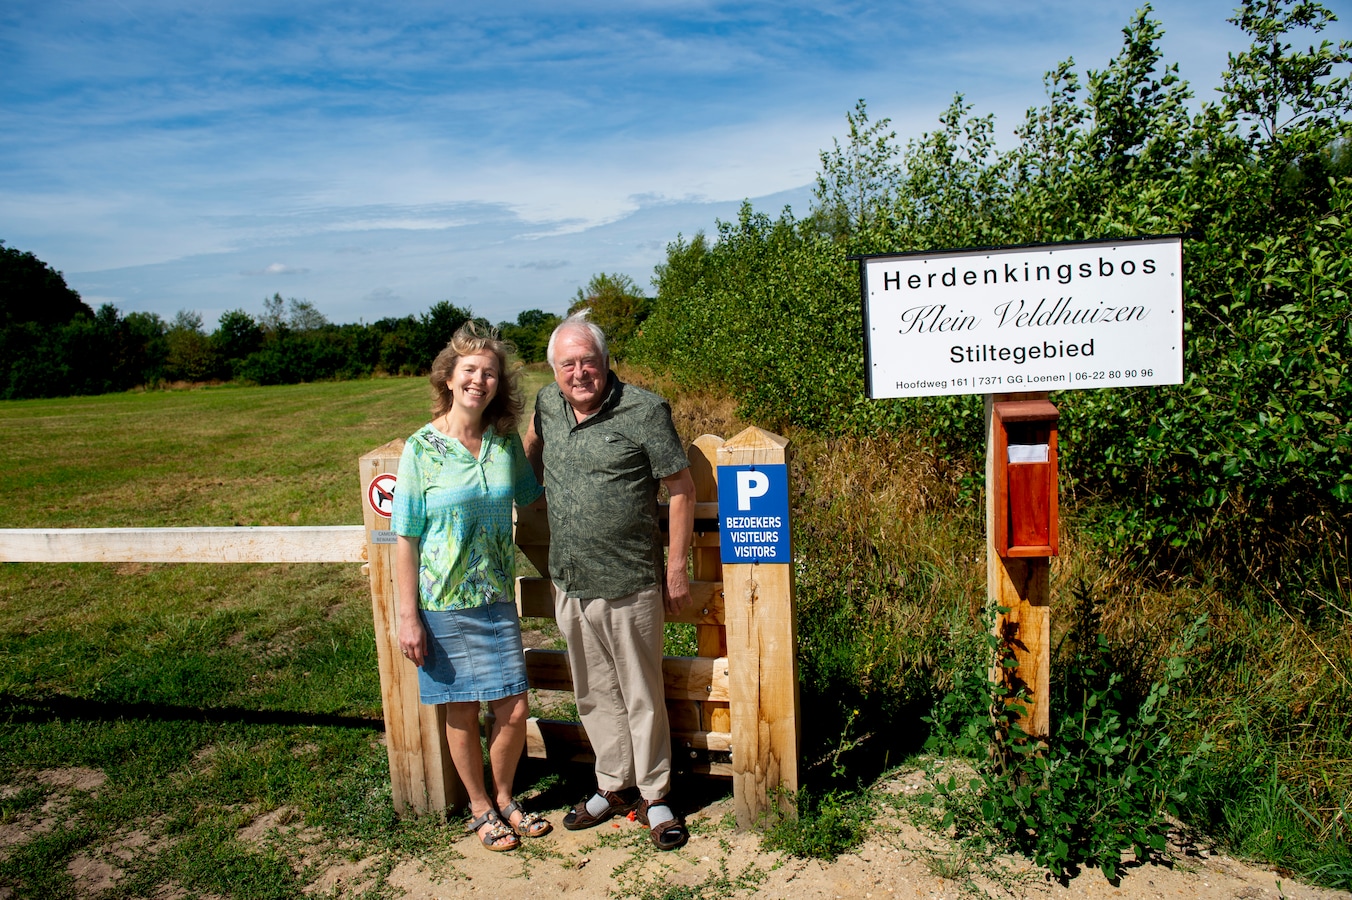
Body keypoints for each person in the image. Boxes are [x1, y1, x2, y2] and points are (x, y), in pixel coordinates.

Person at [523, 313, 695, 851]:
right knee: (594, 694)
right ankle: (612, 786)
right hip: (570, 581)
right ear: (554, 369)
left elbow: (682, 488)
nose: (579, 373)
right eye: (567, 364)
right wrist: (532, 490)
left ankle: (658, 795)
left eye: (588, 361)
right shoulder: (548, 404)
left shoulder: (644, 409)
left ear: (605, 362)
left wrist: (675, 568)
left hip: (630, 580)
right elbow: (532, 444)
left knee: (642, 694)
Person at [392, 321, 550, 853]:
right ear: (449, 377)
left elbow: (532, 496)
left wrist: (545, 435)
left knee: (514, 707)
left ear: (498, 384)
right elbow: (406, 538)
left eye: (489, 373)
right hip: (443, 603)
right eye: (469, 371)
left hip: (496, 599)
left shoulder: (503, 443)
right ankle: (480, 808)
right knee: (462, 707)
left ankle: (505, 797)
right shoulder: (421, 449)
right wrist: (406, 614)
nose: (478, 381)